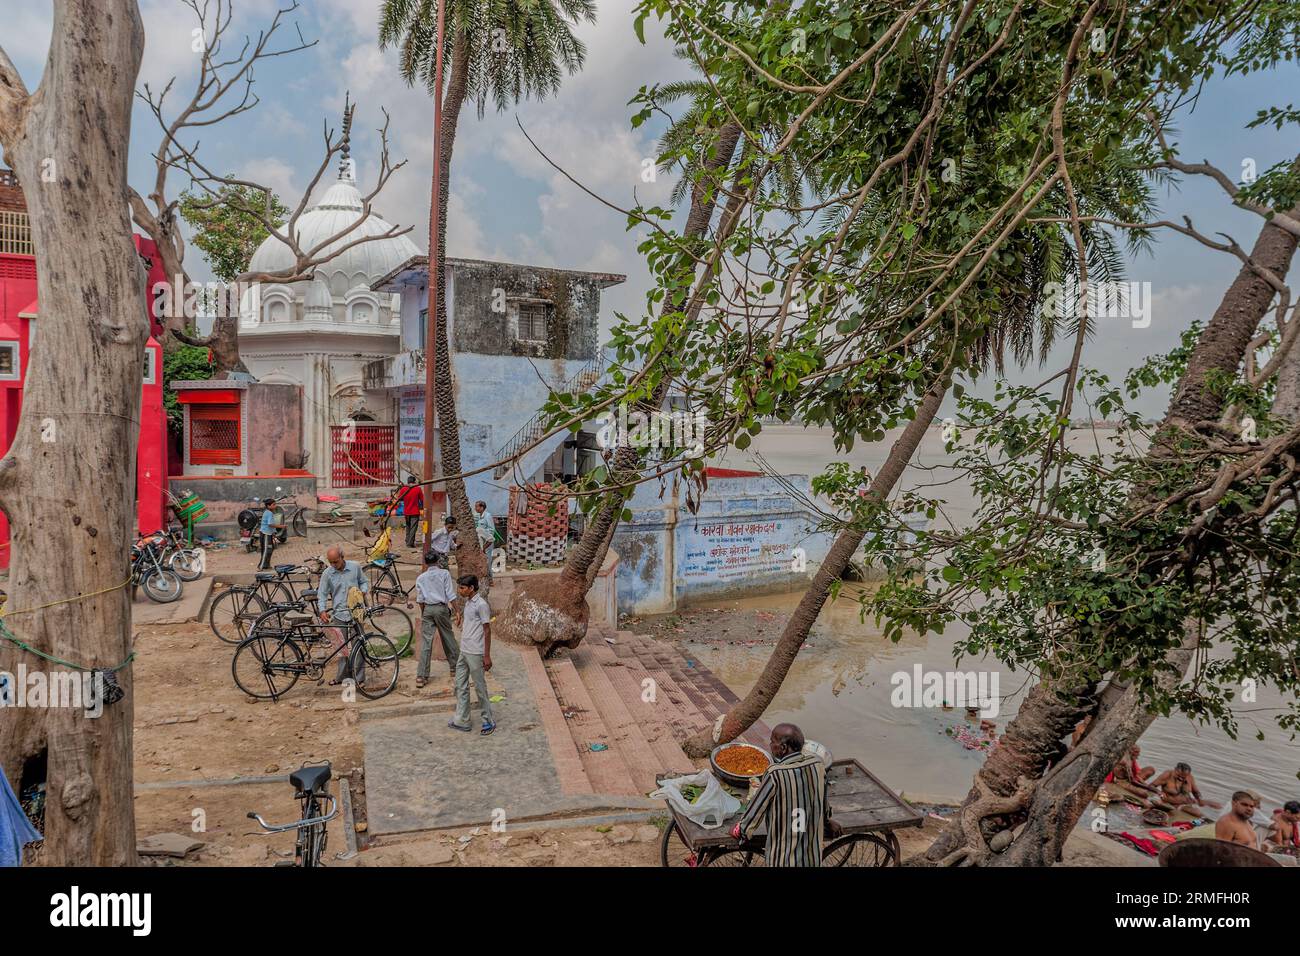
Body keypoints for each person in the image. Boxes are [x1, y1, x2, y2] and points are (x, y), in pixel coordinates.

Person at [730, 722, 828, 866]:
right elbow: (823, 799)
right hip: (811, 859)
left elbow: (755, 811)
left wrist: (741, 830)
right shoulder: (818, 765)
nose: (770, 745)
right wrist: (827, 820)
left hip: (783, 859)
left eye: (772, 741)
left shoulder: (775, 774)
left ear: (783, 748)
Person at [447, 573, 494, 736]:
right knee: (460, 685)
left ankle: (488, 720)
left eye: (462, 588)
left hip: (476, 652)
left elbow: (487, 630)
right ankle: (463, 719)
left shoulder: (481, 605)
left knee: (480, 688)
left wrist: (486, 656)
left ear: (471, 588)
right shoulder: (468, 603)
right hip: (464, 650)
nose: (459, 590)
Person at [316, 545, 370, 685]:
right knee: (341, 648)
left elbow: (364, 582)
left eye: (336, 561)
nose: (333, 565)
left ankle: (359, 678)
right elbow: (322, 594)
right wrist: (322, 611)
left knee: (359, 645)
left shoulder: (355, 567)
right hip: (339, 614)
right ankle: (342, 677)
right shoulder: (328, 573)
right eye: (331, 562)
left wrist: (362, 591)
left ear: (342, 557)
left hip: (356, 613)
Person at [414, 550, 458, 689]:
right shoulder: (444, 574)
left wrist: (424, 613)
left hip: (428, 609)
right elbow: (450, 595)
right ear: (438, 561)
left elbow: (420, 600)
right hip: (441, 608)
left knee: (426, 643)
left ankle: (421, 676)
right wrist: (457, 611)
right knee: (448, 637)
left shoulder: (421, 578)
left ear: (426, 563)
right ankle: (455, 667)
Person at [1150, 762, 1221, 809]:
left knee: (1216, 805)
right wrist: (1159, 792)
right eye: (1179, 776)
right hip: (1172, 804)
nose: (1181, 778)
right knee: (1199, 814)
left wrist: (1200, 799)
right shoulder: (1167, 775)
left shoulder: (1190, 777)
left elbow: (1195, 791)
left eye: (1184, 777)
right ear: (1175, 770)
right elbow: (1151, 786)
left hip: (1187, 802)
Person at [397, 476, 424, 550]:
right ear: (414, 481)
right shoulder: (418, 489)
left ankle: (407, 540)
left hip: (406, 511)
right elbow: (422, 499)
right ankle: (410, 543)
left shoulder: (403, 489)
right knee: (413, 528)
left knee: (408, 527)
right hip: (415, 511)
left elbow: (399, 498)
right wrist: (422, 507)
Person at [257, 498, 284, 571]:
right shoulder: (269, 513)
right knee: (266, 550)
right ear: (269, 506)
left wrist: (273, 533)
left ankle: (266, 565)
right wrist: (281, 526)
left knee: (270, 549)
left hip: (268, 533)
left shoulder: (267, 512)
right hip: (265, 534)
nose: (275, 506)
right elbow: (270, 524)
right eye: (273, 504)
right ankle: (261, 567)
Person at [474, 500, 496, 579]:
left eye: (477, 506)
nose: (475, 508)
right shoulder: (478, 516)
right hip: (481, 541)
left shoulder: (487, 516)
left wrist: (485, 535)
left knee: (487, 560)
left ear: (482, 507)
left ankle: (490, 578)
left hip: (487, 541)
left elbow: (491, 530)